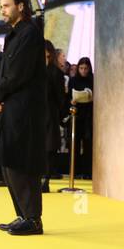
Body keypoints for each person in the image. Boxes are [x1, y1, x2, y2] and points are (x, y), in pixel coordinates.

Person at [0, 0, 47, 235]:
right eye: (1, 6)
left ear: (21, 6)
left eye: (7, 5)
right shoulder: (14, 35)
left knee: (21, 162)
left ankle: (32, 219)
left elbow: (17, 73)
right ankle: (22, 214)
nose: (2, 10)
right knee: (9, 161)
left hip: (24, 110)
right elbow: (5, 72)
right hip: (11, 107)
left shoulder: (30, 34)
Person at [42, 40, 71, 192]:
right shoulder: (32, 71)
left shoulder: (56, 73)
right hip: (34, 115)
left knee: (49, 148)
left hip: (50, 115)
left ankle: (45, 180)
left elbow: (61, 97)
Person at [67, 56, 94, 180]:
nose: (83, 71)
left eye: (85, 68)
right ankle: (75, 171)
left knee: (88, 146)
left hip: (89, 116)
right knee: (75, 145)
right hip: (76, 116)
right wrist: (72, 101)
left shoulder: (93, 80)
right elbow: (68, 97)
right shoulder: (73, 80)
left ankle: (88, 171)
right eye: (81, 68)